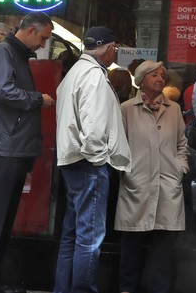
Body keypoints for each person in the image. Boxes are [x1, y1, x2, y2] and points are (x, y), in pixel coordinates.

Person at [0, 13, 56, 293]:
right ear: (30, 30)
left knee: (3, 217)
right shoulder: (4, 52)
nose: (43, 44)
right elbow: (5, 92)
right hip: (5, 145)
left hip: (14, 145)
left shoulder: (15, 54)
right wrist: (38, 99)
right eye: (43, 38)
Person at [54, 26, 132, 293]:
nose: (115, 53)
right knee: (90, 236)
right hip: (89, 163)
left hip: (72, 160)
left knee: (72, 234)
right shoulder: (94, 76)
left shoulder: (75, 72)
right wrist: (98, 159)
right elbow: (94, 126)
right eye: (115, 49)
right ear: (109, 48)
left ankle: (63, 289)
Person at [116, 61, 188, 293]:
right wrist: (127, 171)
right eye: (154, 75)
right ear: (141, 80)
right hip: (136, 183)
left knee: (163, 244)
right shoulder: (127, 109)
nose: (160, 79)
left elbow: (182, 143)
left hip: (167, 183)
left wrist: (180, 168)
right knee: (132, 242)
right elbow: (118, 145)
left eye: (162, 75)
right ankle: (127, 288)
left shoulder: (173, 109)